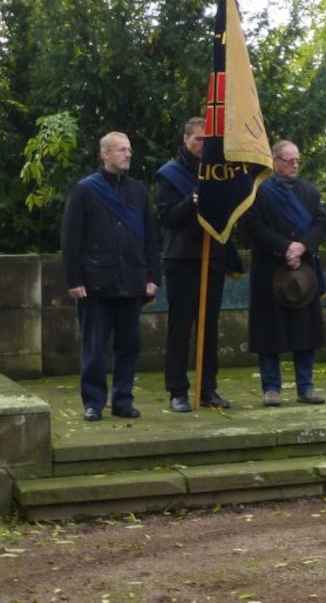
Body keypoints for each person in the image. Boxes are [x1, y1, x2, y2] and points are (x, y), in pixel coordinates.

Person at [61, 132, 161, 421]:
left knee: (129, 346)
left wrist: (153, 276)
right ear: (105, 154)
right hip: (96, 283)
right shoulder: (84, 190)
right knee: (94, 348)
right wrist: (74, 280)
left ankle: (123, 400)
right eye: (121, 150)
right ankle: (93, 402)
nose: (128, 154)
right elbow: (70, 239)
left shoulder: (138, 191)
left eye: (129, 149)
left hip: (131, 280)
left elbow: (151, 237)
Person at [156, 117, 239, 412]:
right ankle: (177, 391)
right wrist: (191, 202)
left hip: (213, 255)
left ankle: (207, 388)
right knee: (180, 326)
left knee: (209, 326)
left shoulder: (219, 173)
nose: (204, 145)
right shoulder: (169, 174)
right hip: (182, 258)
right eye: (198, 139)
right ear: (186, 139)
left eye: (208, 140)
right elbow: (167, 217)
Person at [244, 139, 326, 406]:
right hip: (269, 270)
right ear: (275, 161)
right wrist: (285, 248)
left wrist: (302, 246)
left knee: (305, 332)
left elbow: (321, 223)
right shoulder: (258, 191)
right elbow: (254, 226)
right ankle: (271, 388)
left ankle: (306, 387)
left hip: (304, 271)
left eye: (297, 160)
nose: (295, 165)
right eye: (289, 160)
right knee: (269, 332)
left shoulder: (310, 192)